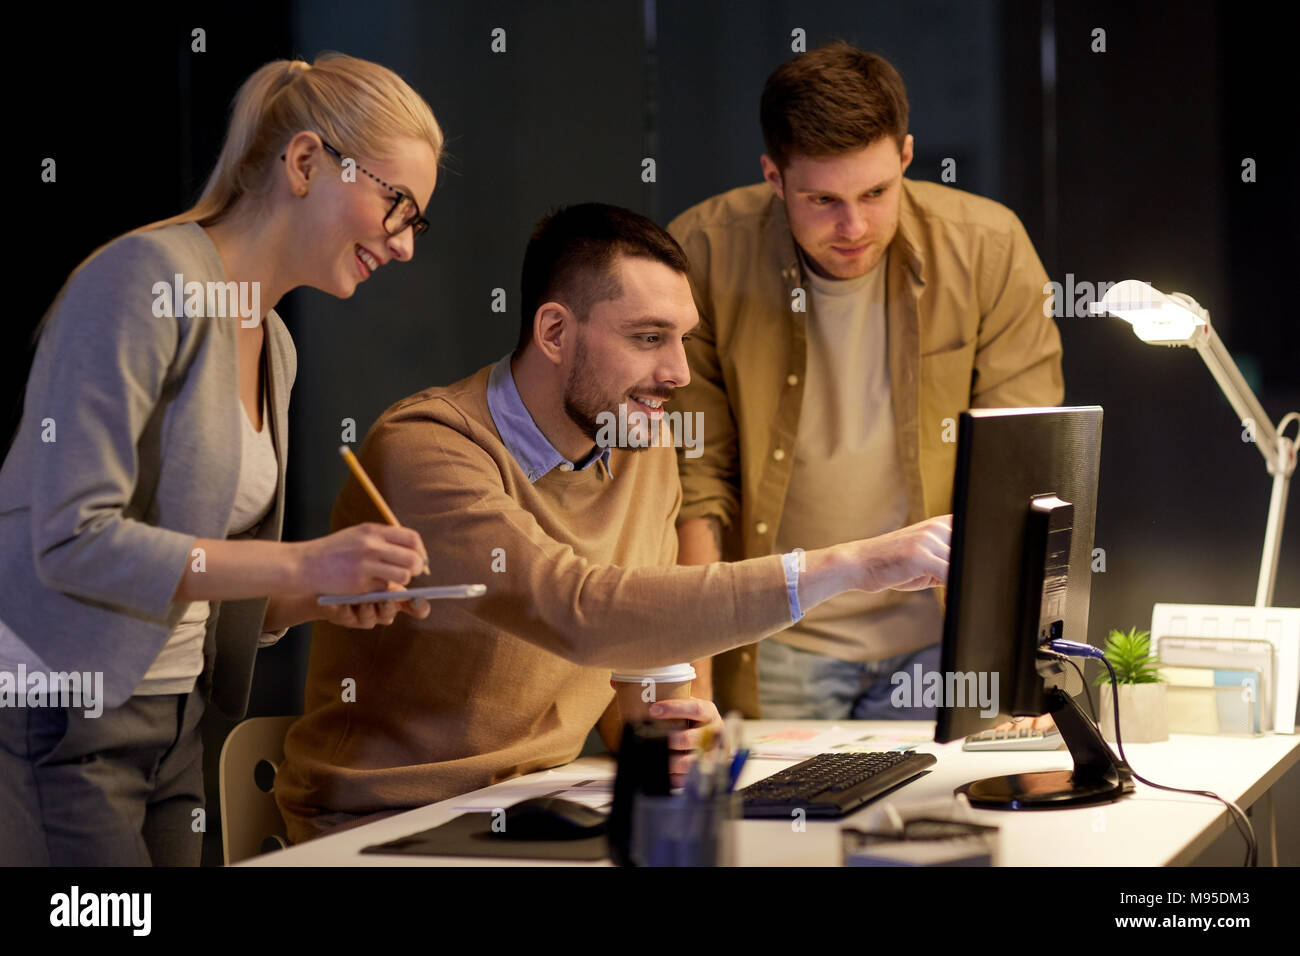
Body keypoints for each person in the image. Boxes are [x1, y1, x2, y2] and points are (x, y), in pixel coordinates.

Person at [275, 202, 952, 844]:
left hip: (545, 806)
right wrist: (850, 566)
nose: (679, 372)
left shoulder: (639, 444)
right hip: (387, 822)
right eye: (648, 338)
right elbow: (575, 610)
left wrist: (671, 728)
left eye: (682, 339)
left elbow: (633, 659)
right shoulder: (426, 448)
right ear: (554, 332)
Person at [0, 53, 443, 866]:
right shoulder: (143, 278)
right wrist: (295, 561)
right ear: (306, 161)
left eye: (418, 221)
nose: (407, 244)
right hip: (66, 717)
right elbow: (72, 541)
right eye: (399, 204)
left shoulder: (273, 342)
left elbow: (200, 587)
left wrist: (313, 597)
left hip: (176, 718)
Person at [667, 42, 1064, 723]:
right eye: (822, 199)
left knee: (948, 820)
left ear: (907, 156)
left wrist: (1014, 662)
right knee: (781, 826)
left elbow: (1018, 470)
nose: (853, 227)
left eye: (876, 193)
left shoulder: (988, 250)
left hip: (939, 639)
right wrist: (690, 684)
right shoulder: (701, 253)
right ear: (773, 174)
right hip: (775, 639)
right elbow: (693, 484)